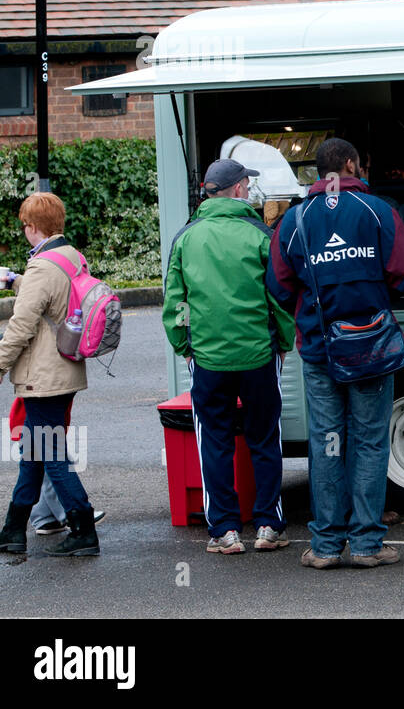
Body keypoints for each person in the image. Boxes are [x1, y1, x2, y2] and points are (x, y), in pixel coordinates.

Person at [267, 138, 404, 569]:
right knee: (370, 442)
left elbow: (277, 285)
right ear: (352, 164)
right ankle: (368, 545)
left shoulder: (295, 220)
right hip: (371, 347)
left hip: (318, 350)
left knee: (327, 443)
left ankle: (326, 546)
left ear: (320, 172)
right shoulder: (378, 211)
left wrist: (313, 312)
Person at [163, 158, 297, 555]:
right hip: (258, 355)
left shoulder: (186, 238)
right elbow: (279, 297)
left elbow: (176, 302)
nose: (249, 190)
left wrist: (184, 344)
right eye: (247, 185)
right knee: (264, 438)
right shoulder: (260, 234)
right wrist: (284, 341)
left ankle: (224, 530)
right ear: (238, 189)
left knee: (215, 441)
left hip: (208, 359)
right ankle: (268, 526)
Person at [0, 192, 100, 556]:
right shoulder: (70, 257)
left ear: (32, 227)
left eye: (24, 225)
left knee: (50, 454)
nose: (24, 230)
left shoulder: (42, 267)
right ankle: (14, 529)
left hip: (44, 376)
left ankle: (83, 529)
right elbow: (54, 295)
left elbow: (21, 324)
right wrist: (19, 281)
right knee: (34, 453)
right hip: (65, 369)